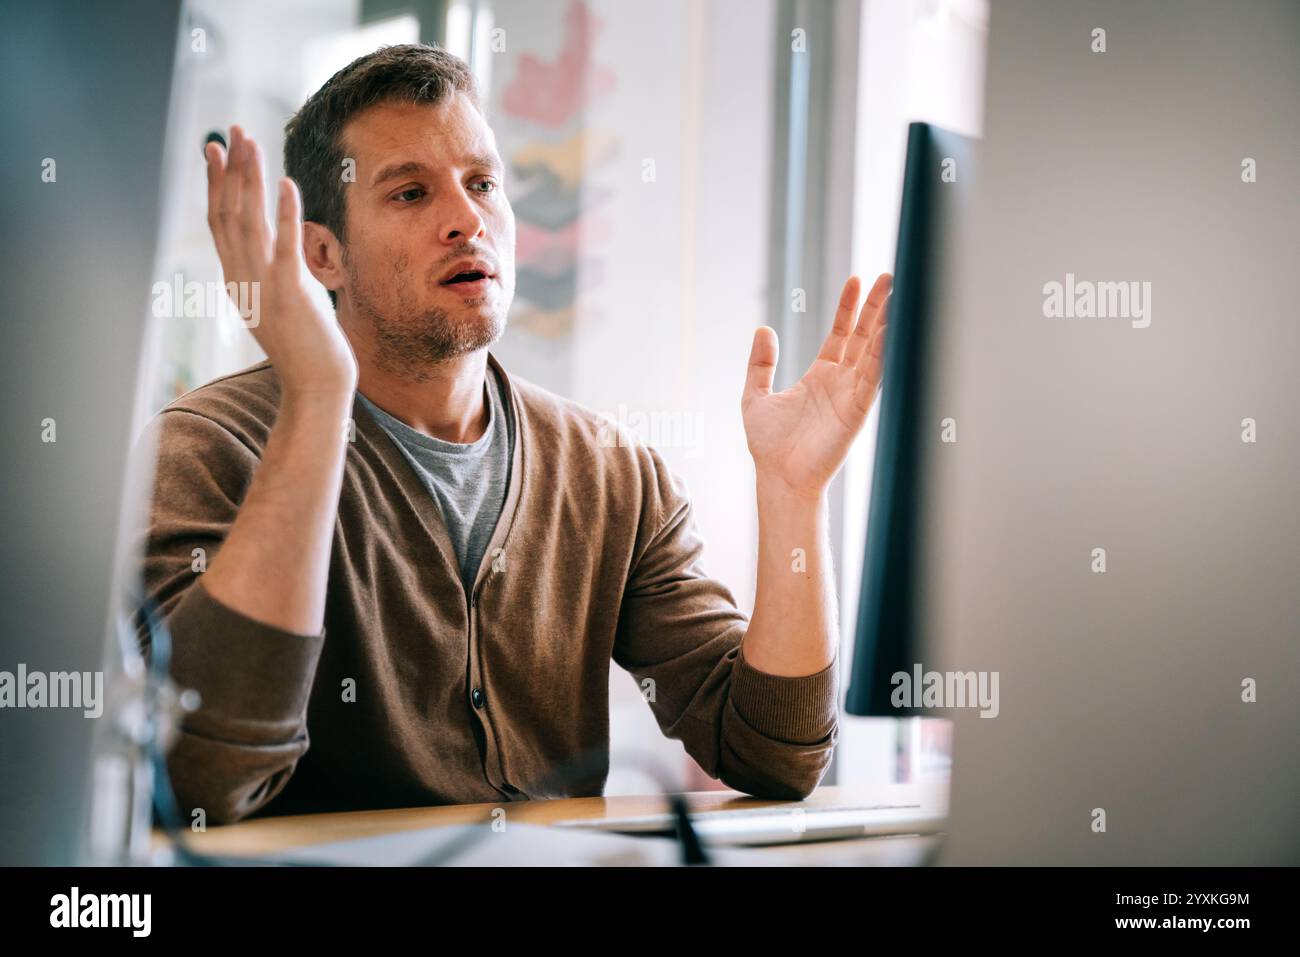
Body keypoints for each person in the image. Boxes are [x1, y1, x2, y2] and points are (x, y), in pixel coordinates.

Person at [136, 44, 891, 825]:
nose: (466, 219)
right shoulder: (204, 449)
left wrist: (794, 495)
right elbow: (198, 779)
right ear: (322, 253)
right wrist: (319, 395)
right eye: (410, 192)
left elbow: (773, 752)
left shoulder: (610, 470)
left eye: (483, 183)